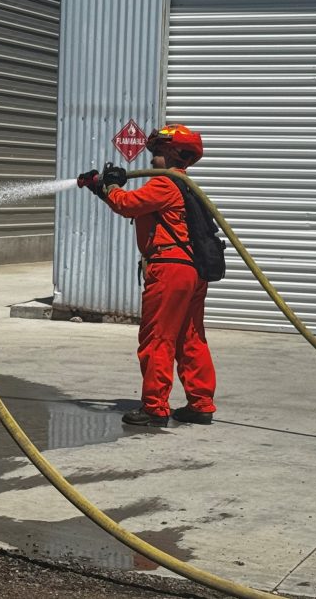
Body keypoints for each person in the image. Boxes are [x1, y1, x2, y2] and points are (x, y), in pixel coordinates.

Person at [80, 124, 217, 427]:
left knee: (158, 338)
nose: (151, 157)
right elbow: (134, 207)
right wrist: (101, 189)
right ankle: (201, 403)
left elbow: (127, 205)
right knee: (191, 338)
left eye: (156, 151)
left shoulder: (165, 183)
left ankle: (155, 407)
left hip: (169, 267)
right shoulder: (185, 184)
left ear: (169, 153)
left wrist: (111, 186)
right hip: (193, 270)